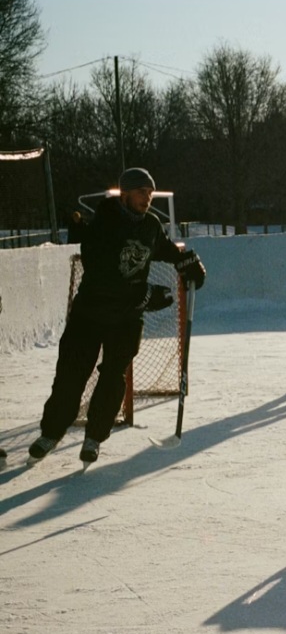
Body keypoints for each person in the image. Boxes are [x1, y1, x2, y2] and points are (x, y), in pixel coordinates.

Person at [27, 168, 207, 466]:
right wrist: (144, 295)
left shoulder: (150, 224)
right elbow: (103, 276)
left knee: (113, 377)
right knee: (72, 375)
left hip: (126, 319)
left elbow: (162, 247)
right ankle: (51, 433)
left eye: (150, 193)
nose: (147, 198)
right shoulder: (102, 224)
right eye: (141, 192)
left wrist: (185, 259)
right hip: (90, 313)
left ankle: (94, 437)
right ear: (124, 194)